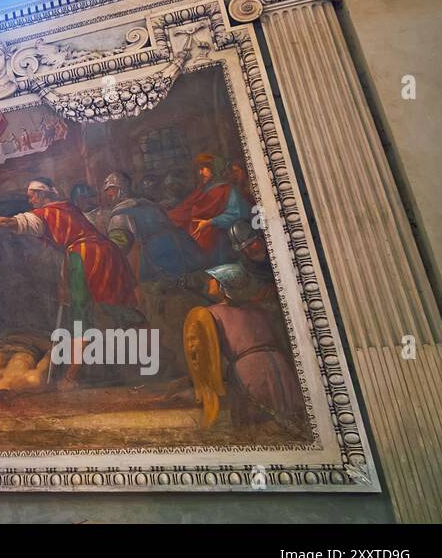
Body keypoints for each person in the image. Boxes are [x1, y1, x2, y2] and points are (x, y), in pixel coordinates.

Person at [0, 178, 140, 388]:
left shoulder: (46, 214)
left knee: (80, 316)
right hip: (107, 253)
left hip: (85, 257)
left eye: (32, 194)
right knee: (116, 305)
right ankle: (149, 354)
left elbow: (9, 223)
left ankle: (71, 376)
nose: (30, 198)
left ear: (42, 194)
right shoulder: (67, 208)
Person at [103, 171, 207, 376]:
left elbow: (118, 246)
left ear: (120, 189)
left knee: (162, 317)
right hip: (186, 257)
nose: (108, 195)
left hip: (157, 266)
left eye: (111, 190)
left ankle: (184, 369)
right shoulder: (150, 205)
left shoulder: (120, 214)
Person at [183, 264, 303, 431]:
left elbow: (208, 351)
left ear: (222, 286)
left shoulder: (210, 313)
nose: (208, 282)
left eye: (213, 279)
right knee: (284, 419)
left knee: (255, 423)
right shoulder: (260, 310)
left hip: (250, 370)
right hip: (279, 365)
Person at [168, 153, 250, 266]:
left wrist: (210, 222)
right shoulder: (201, 190)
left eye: (203, 168)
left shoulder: (227, 189)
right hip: (197, 239)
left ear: (214, 168)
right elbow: (185, 209)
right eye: (199, 170)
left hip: (220, 241)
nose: (200, 173)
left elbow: (239, 214)